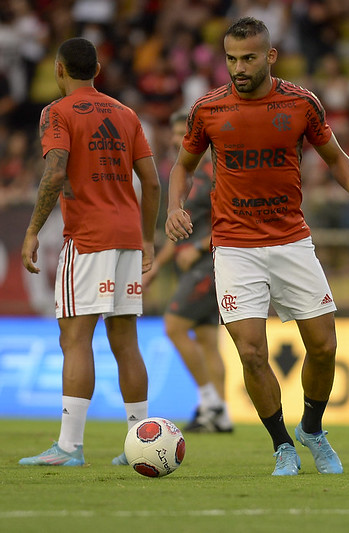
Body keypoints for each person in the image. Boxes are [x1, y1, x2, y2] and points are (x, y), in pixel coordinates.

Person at [165, 17, 349, 476]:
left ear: (270, 56)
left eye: (248, 58)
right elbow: (183, 166)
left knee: (323, 347)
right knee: (250, 352)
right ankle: (283, 444)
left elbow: (336, 157)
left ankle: (313, 429)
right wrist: (173, 207)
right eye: (231, 59)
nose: (238, 68)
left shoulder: (302, 103)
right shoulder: (207, 109)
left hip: (291, 240)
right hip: (234, 247)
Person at [19, 37, 160, 467]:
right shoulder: (126, 113)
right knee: (125, 341)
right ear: (97, 70)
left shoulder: (56, 113)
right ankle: (141, 441)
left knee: (75, 338)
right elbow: (152, 183)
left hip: (88, 237)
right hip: (127, 237)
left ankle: (69, 447)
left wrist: (31, 231)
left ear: (59, 69)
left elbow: (55, 170)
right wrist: (149, 239)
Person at [143, 109, 232, 434]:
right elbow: (177, 234)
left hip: (209, 264)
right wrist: (155, 269)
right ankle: (221, 415)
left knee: (174, 327)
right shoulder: (183, 175)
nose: (178, 138)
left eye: (185, 132)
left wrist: (198, 247)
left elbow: (232, 218)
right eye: (175, 132)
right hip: (195, 266)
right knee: (208, 340)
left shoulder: (213, 172)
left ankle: (211, 403)